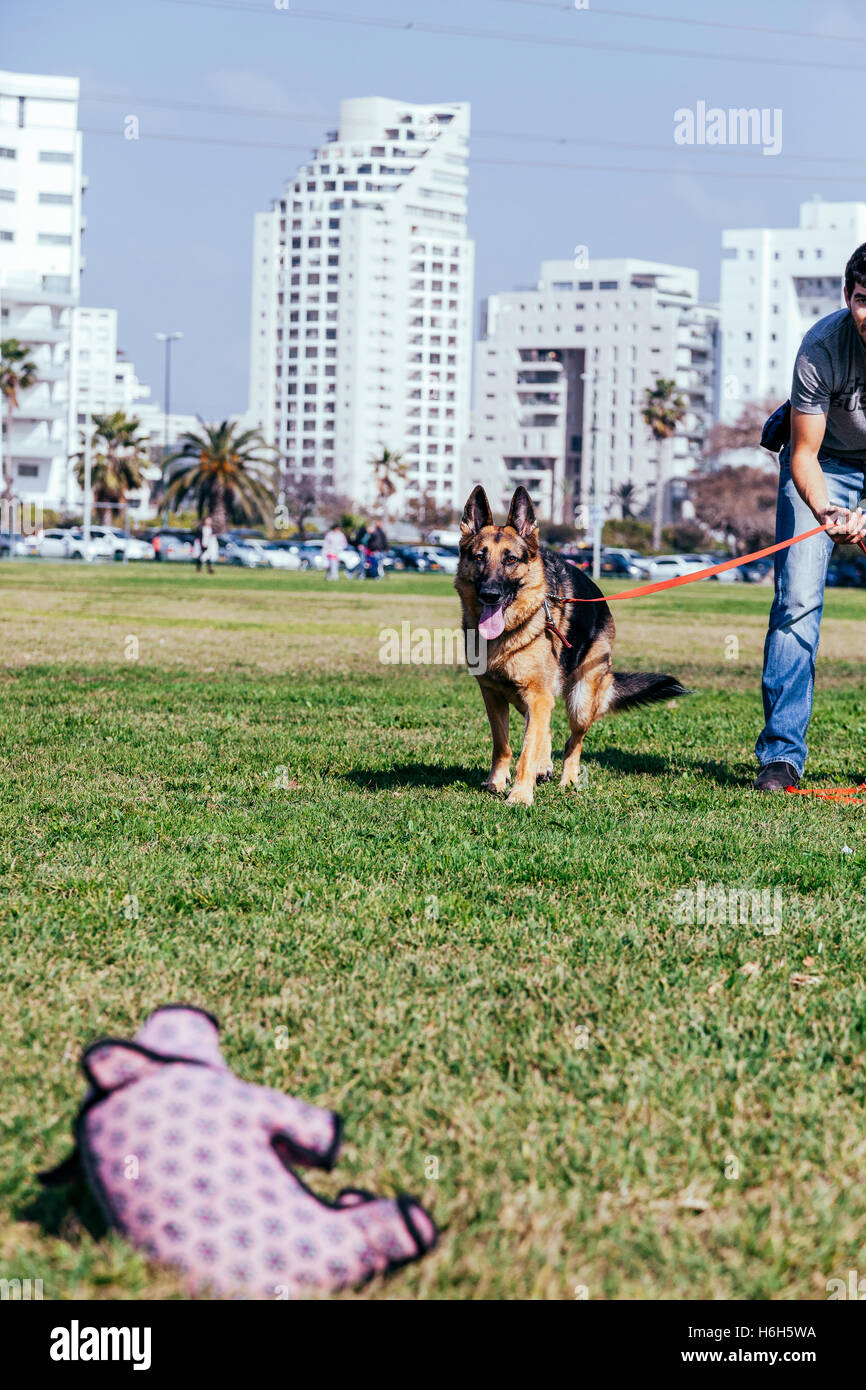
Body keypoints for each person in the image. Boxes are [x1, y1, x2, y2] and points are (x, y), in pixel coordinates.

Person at [754, 241, 866, 792]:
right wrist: (826, 509)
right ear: (848, 297)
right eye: (863, 300)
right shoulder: (821, 347)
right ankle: (781, 756)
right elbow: (802, 453)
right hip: (823, 466)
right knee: (797, 601)